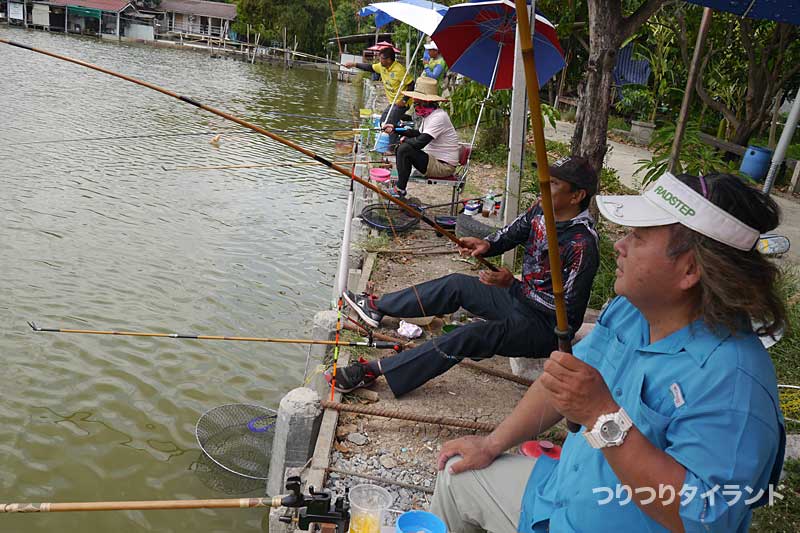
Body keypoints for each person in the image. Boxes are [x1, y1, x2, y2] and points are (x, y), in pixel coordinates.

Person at [430, 172, 786, 533]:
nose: (620, 245)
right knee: (457, 472)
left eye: (639, 236)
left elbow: (704, 517)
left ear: (690, 269)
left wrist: (603, 417)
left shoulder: (734, 383)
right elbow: (565, 384)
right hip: (556, 498)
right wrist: (491, 444)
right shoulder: (631, 311)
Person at [327, 156, 600, 396]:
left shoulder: (582, 243)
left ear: (576, 196)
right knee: (456, 284)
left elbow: (566, 312)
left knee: (470, 334)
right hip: (518, 301)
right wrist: (487, 245)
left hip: (545, 328)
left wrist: (512, 286)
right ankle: (377, 307)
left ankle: (375, 370)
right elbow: (511, 234)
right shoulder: (541, 211)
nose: (543, 187)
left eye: (553, 183)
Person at [382, 76, 460, 198]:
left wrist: (405, 140)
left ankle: (400, 189)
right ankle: (400, 186)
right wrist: (395, 128)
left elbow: (419, 143)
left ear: (427, 101)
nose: (415, 105)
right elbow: (418, 133)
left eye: (417, 102)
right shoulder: (430, 115)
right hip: (434, 160)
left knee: (404, 149)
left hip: (443, 166)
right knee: (403, 147)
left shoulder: (438, 117)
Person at [344, 47, 412, 150]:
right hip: (392, 102)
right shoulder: (381, 67)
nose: (380, 60)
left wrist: (404, 100)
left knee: (389, 122)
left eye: (382, 58)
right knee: (382, 121)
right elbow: (369, 67)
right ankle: (403, 131)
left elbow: (412, 84)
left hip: (401, 102)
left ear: (389, 60)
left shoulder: (399, 70)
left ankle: (391, 148)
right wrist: (353, 64)